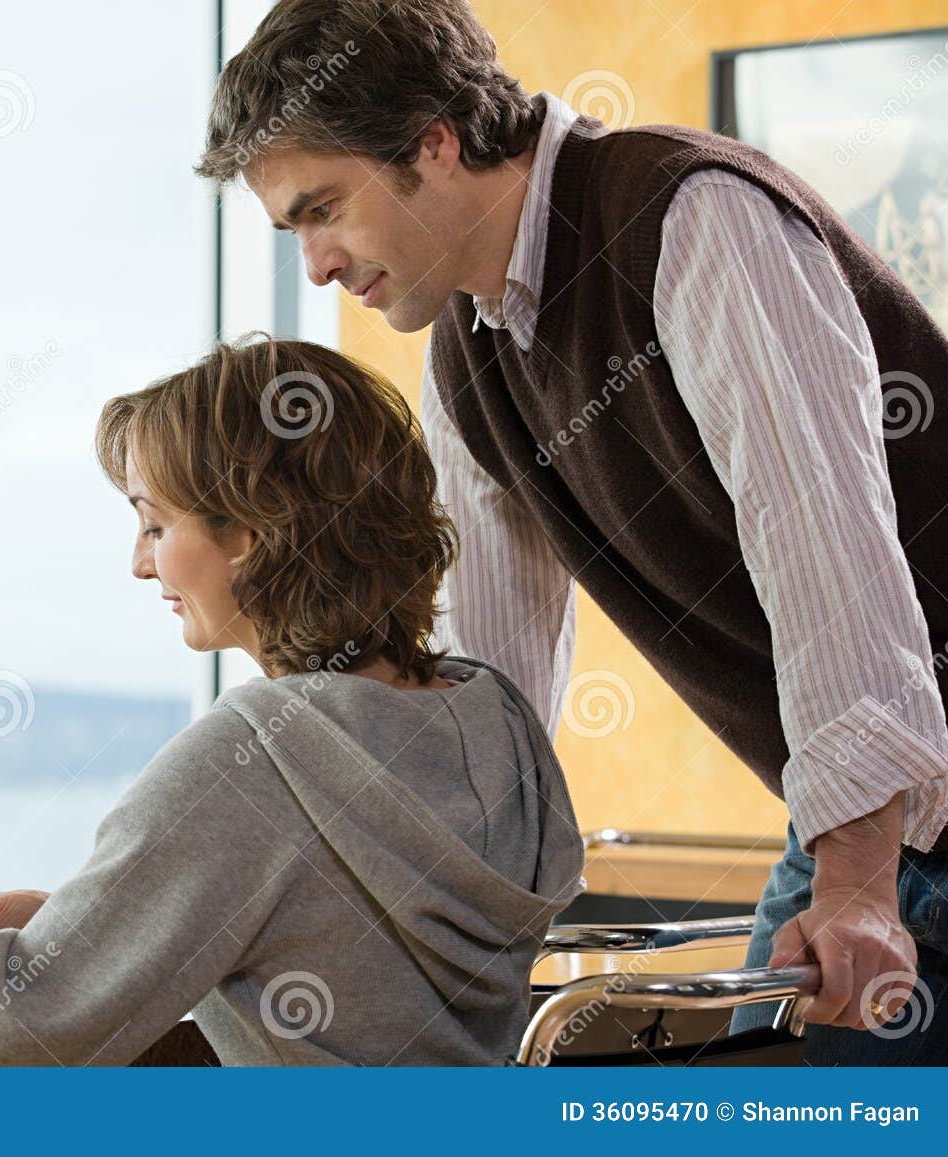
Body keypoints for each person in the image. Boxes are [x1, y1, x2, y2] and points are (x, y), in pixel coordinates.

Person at [198, 0, 948, 1062]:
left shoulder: (689, 218)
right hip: (878, 817)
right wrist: (187, 898)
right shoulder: (467, 355)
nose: (315, 263)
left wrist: (859, 886)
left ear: (434, 142)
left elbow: (827, 560)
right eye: (291, 232)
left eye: (323, 209)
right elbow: (484, 708)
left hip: (881, 817)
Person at [0, 337, 584, 1066]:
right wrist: (107, 924)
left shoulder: (254, 758)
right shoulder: (495, 717)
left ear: (252, 534)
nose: (140, 561)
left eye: (156, 523)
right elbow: (350, 955)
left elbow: (13, 1026)